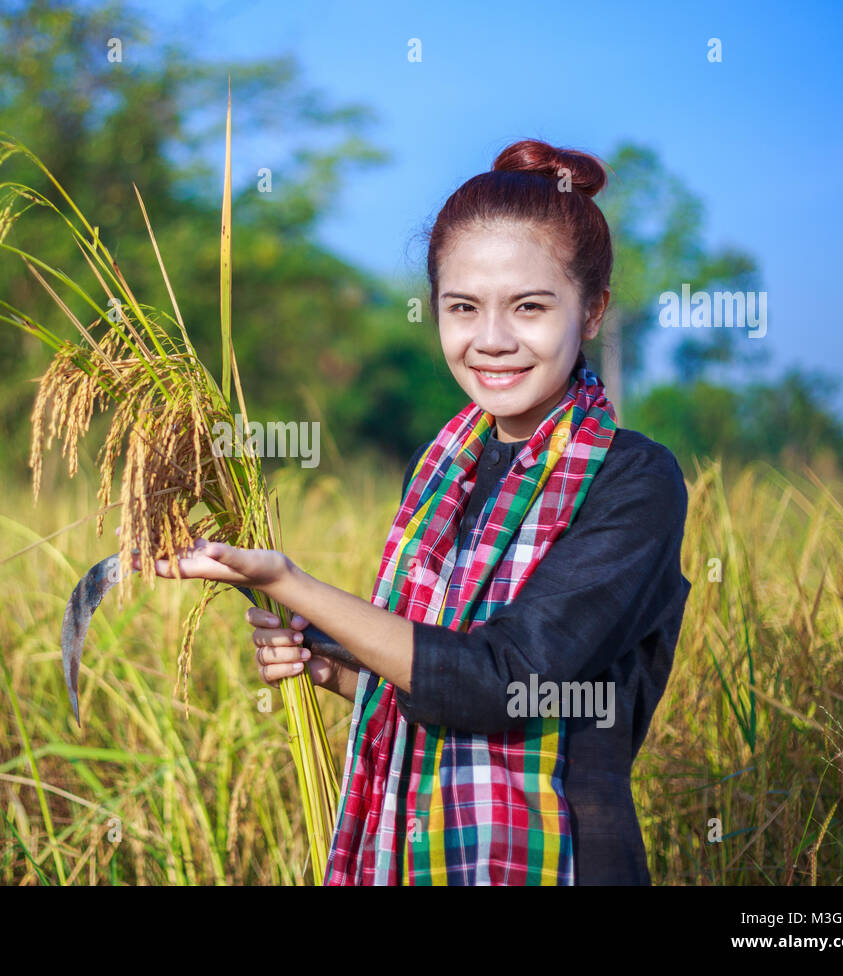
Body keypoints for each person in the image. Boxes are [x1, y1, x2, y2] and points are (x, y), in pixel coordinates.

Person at [133, 138, 691, 885]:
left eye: (529, 307)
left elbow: (507, 679)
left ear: (591, 312)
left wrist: (290, 584)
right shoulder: (438, 477)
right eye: (463, 307)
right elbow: (445, 687)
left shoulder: (633, 479)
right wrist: (329, 667)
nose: (491, 340)